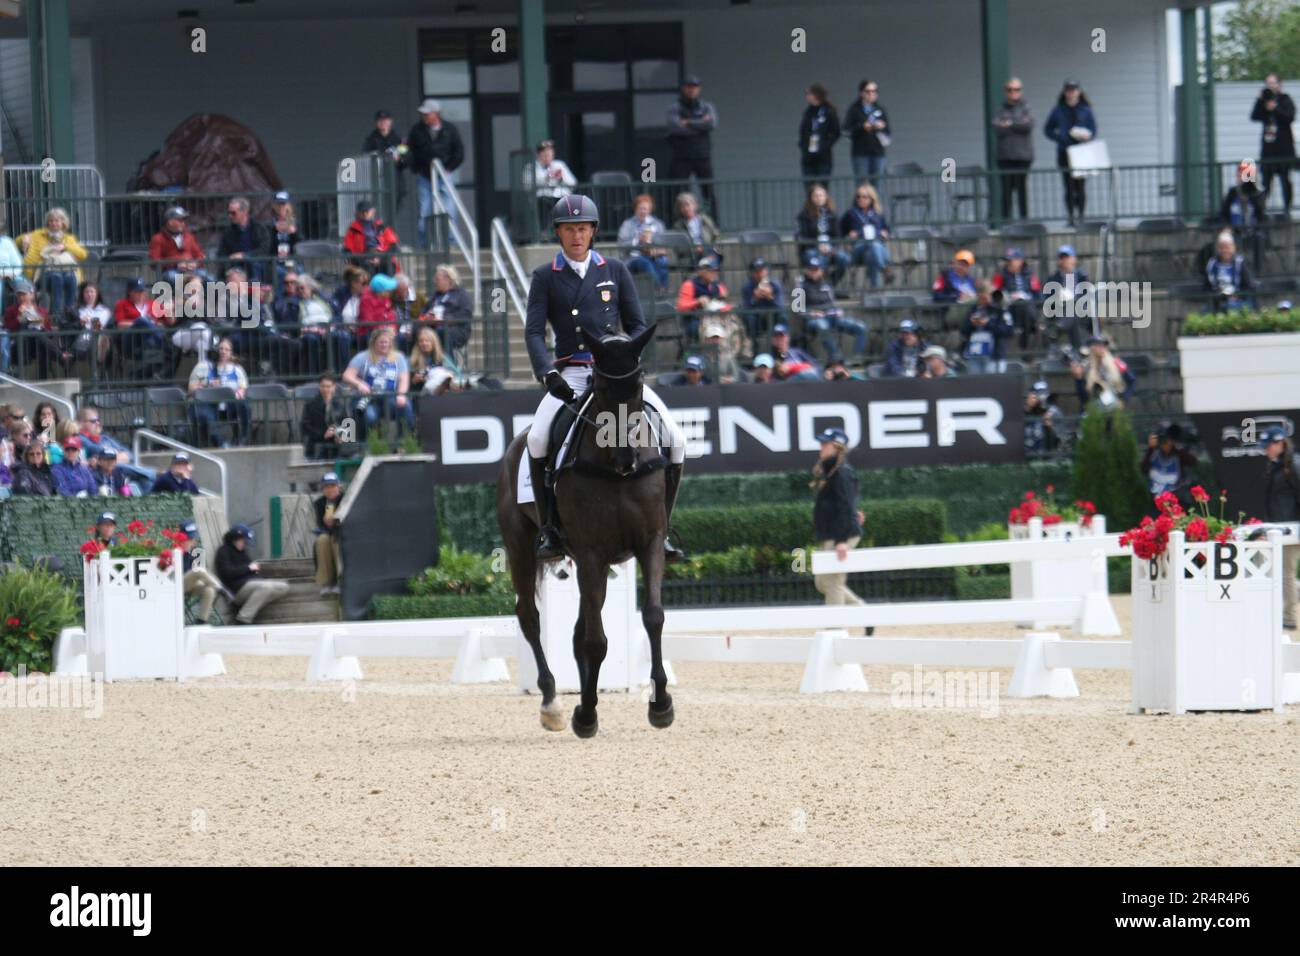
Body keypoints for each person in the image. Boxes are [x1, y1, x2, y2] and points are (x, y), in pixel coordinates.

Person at [523, 195, 687, 561]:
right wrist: (548, 372)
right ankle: (550, 528)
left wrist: (624, 359)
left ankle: (664, 529)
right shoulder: (545, 276)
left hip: (615, 374)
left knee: (675, 439)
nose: (576, 236)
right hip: (573, 373)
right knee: (536, 439)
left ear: (593, 231)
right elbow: (534, 332)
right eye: (569, 230)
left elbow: (638, 324)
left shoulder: (614, 268)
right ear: (559, 234)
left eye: (582, 228)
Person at [811, 427, 866, 607]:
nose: (821, 447)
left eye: (825, 444)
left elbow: (845, 504)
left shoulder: (842, 472)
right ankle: (862, 612)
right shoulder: (832, 471)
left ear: (837, 447)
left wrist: (841, 540)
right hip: (831, 533)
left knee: (833, 582)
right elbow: (843, 502)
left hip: (841, 535)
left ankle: (835, 630)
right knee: (822, 582)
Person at [405, 98, 465, 244]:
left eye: (427, 114)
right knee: (424, 210)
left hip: (444, 176)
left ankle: (451, 243)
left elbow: (459, 152)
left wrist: (449, 168)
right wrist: (416, 169)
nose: (424, 117)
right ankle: (425, 244)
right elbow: (409, 151)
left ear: (436, 114)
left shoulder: (450, 129)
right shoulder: (416, 130)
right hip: (424, 177)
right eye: (423, 114)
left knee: (449, 210)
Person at [1260, 426, 1300, 628]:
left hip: (1291, 528)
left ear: (1279, 444)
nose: (1266, 450)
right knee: (1280, 571)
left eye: (1268, 446)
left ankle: (1290, 617)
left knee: (1287, 572)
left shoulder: (1293, 464)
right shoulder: (1276, 464)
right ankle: (1283, 613)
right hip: (1278, 528)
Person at [1044, 79, 1097, 225]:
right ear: (1065, 92)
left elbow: (1093, 130)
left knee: (1080, 187)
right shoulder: (1058, 110)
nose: (1071, 93)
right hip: (1065, 152)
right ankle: (1071, 217)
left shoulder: (1086, 110)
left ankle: (1081, 216)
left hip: (1081, 152)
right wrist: (1060, 137)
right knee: (1068, 187)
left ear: (1079, 92)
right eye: (1068, 90)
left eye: (1074, 90)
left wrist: (1085, 135)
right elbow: (1047, 130)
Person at [342, 326, 414, 434]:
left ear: (391, 343)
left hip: (390, 396)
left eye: (386, 342)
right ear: (373, 342)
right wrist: (359, 384)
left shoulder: (399, 357)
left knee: (406, 407)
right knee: (369, 416)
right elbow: (347, 375)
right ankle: (368, 445)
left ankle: (403, 443)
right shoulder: (362, 357)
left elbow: (404, 379)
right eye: (381, 342)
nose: (384, 345)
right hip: (367, 397)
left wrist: (401, 395)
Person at [796, 251, 867, 358]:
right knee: (822, 326)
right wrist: (812, 313)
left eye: (816, 269)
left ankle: (856, 359)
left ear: (821, 271)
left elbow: (833, 303)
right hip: (814, 320)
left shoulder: (826, 285)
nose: (814, 272)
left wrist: (838, 311)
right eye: (811, 269)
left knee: (861, 327)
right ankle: (836, 358)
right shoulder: (800, 285)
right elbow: (797, 309)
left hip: (831, 317)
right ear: (807, 271)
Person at [215, 524, 290, 626]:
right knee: (266, 587)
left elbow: (252, 571)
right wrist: (248, 568)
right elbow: (228, 573)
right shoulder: (223, 551)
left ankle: (250, 606)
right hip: (236, 589)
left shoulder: (243, 552)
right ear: (235, 538)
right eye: (243, 541)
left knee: (284, 586)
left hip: (251, 585)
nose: (245, 544)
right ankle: (242, 619)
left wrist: (255, 571)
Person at [20, 207, 88, 317]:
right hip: (43, 275)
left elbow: (83, 254)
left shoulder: (69, 238)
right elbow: (18, 240)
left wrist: (65, 247)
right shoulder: (39, 234)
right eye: (51, 221)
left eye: (56, 221)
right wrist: (26, 238)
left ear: (63, 223)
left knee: (70, 276)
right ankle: (56, 316)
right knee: (57, 276)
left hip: (66, 272)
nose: (53, 223)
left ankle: (69, 313)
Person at [667, 75, 718, 218]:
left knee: (708, 191)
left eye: (694, 87)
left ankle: (714, 224)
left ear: (699, 89)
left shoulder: (706, 106)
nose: (692, 90)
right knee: (679, 192)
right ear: (684, 89)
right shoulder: (675, 107)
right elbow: (675, 127)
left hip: (703, 155)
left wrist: (688, 122)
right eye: (689, 87)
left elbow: (712, 124)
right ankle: (678, 223)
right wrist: (700, 123)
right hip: (682, 157)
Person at [188, 338, 251, 447]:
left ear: (231, 353)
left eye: (227, 349)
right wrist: (207, 384)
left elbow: (243, 388)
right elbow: (191, 388)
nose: (223, 351)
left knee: (244, 405)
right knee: (205, 415)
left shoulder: (238, 369)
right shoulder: (203, 366)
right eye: (221, 348)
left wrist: (238, 393)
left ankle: (242, 439)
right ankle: (221, 443)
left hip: (230, 406)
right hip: (209, 404)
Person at [1251, 74, 1297, 211]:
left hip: (1283, 149)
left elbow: (1290, 117)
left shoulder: (1285, 99)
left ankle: (1286, 210)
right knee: (1266, 182)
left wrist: (1275, 108)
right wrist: (1260, 101)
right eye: (1268, 83)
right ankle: (1262, 211)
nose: (1270, 86)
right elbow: (1254, 116)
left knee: (1285, 181)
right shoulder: (1263, 102)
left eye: (1273, 83)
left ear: (1279, 84)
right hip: (1268, 150)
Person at [994, 77, 1034, 220]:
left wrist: (1009, 124)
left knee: (1022, 190)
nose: (1013, 93)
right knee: (1006, 191)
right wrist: (1017, 124)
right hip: (1005, 157)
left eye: (1016, 89)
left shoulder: (1025, 107)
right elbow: (998, 129)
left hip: (1023, 156)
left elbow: (1028, 126)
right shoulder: (1000, 109)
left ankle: (1024, 220)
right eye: (1010, 90)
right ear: (1006, 92)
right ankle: (1006, 221)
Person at [795, 183, 849, 288]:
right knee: (819, 258)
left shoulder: (832, 214)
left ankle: (830, 285)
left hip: (830, 248)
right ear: (810, 198)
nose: (819, 198)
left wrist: (833, 248)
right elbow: (801, 236)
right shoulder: (804, 215)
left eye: (821, 195)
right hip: (811, 249)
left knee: (844, 258)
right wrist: (817, 245)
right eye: (816, 196)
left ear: (826, 197)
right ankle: (818, 287)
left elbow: (838, 235)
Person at [177, 519, 229, 624]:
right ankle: (221, 589)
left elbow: (201, 577)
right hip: (176, 585)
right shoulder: (174, 552)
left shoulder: (198, 552)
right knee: (198, 570)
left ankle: (201, 621)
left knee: (209, 589)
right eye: (188, 538)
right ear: (180, 538)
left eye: (192, 538)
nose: (191, 541)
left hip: (192, 586)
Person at [990, 248, 1043, 351]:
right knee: (1026, 311)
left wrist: (1025, 296)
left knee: (1025, 307)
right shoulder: (1000, 275)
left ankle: (1031, 331)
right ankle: (1035, 327)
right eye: (1007, 261)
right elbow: (994, 295)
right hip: (1009, 309)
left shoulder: (1030, 275)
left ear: (1020, 261)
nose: (1008, 263)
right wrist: (1008, 296)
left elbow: (1038, 296)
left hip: (1028, 308)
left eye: (1011, 260)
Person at [840, 183, 891, 289]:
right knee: (873, 245)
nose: (860, 199)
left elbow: (887, 230)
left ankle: (874, 288)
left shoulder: (878, 213)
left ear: (871, 198)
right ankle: (885, 269)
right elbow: (839, 230)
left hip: (877, 248)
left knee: (872, 254)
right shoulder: (851, 213)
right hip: (858, 248)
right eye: (858, 196)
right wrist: (849, 235)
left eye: (864, 197)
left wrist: (885, 233)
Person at [617, 195, 671, 291]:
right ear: (635, 209)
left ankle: (665, 289)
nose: (643, 211)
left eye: (645, 209)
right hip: (633, 257)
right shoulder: (628, 224)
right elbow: (622, 245)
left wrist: (655, 250)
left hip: (653, 255)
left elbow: (664, 244)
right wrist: (637, 240)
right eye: (640, 208)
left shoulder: (657, 224)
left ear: (650, 210)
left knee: (662, 261)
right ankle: (658, 289)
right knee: (644, 262)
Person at [959, 281, 1015, 374]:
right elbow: (964, 330)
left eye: (985, 297)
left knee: (994, 385)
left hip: (994, 356)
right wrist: (972, 324)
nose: (983, 301)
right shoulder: (974, 309)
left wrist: (988, 324)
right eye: (980, 298)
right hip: (975, 355)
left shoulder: (1000, 310)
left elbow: (1008, 331)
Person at [1044, 244, 1092, 349]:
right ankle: (1079, 350)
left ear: (1074, 259)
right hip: (1060, 311)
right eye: (1062, 258)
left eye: (1067, 257)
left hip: (1080, 310)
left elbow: (1087, 296)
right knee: (1072, 316)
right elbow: (1047, 299)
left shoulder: (1082, 276)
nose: (1065, 261)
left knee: (1073, 312)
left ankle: (1059, 328)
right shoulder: (1053, 278)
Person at [675, 254, 731, 343]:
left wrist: (724, 306)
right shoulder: (689, 285)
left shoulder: (718, 286)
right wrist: (697, 302)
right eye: (709, 270)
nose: (713, 273)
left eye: (715, 270)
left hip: (717, 318)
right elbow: (681, 307)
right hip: (697, 320)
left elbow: (727, 305)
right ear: (700, 271)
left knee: (732, 325)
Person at [843, 79, 890, 184]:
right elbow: (846, 130)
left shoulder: (880, 109)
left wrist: (881, 126)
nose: (871, 94)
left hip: (877, 152)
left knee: (877, 183)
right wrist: (862, 127)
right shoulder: (854, 109)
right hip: (860, 153)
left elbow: (888, 132)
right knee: (862, 185)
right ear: (861, 93)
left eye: (874, 91)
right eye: (868, 91)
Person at [217, 197, 273, 283]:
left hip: (255, 266)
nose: (230, 216)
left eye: (233, 213)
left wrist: (244, 255)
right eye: (229, 213)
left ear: (245, 211)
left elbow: (264, 250)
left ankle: (256, 293)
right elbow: (221, 252)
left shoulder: (260, 229)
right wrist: (230, 259)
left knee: (255, 266)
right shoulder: (228, 231)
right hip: (235, 266)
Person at [1071, 334, 1135, 408]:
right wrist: (1078, 378)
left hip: (1114, 405)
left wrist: (1124, 400)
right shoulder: (1085, 367)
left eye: (1104, 345)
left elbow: (1131, 380)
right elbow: (1083, 398)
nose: (1102, 347)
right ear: (1091, 348)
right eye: (1098, 345)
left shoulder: (1116, 362)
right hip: (1094, 407)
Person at [423, 264, 473, 361]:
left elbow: (465, 315)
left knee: (441, 332)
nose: (435, 282)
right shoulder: (435, 296)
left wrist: (444, 320)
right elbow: (424, 311)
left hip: (456, 331)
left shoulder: (461, 295)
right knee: (416, 333)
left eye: (438, 279)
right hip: (433, 328)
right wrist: (427, 316)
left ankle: (449, 367)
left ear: (448, 280)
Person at [525, 139, 577, 228]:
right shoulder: (531, 167)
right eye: (544, 154)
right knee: (544, 206)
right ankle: (545, 234)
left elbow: (573, 182)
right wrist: (546, 177)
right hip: (542, 199)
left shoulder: (560, 164)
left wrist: (561, 178)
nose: (547, 156)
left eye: (549, 153)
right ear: (538, 155)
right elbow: (527, 185)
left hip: (560, 197)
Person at [148, 206, 207, 282]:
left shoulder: (189, 237)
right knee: (172, 277)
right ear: (170, 222)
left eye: (184, 220)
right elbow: (154, 262)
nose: (183, 223)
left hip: (192, 270)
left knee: (210, 278)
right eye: (180, 220)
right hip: (172, 271)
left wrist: (195, 263)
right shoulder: (158, 239)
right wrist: (176, 263)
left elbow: (200, 255)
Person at [301, 373, 352, 460]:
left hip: (337, 447)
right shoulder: (310, 405)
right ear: (319, 387)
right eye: (323, 386)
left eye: (328, 386)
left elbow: (347, 425)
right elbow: (305, 426)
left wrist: (341, 435)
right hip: (317, 447)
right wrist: (323, 434)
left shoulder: (339, 405)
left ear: (334, 387)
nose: (325, 389)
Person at [1203, 230, 1256, 312]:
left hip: (1238, 300)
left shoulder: (1240, 263)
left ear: (1233, 247)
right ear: (1218, 248)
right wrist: (1216, 293)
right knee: (1206, 311)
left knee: (1231, 307)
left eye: (1227, 247)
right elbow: (1206, 287)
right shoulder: (1212, 264)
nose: (1224, 250)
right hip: (1217, 300)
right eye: (1221, 247)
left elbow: (1249, 286)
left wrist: (1237, 295)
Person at [798, 82, 840, 184]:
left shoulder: (828, 111)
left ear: (815, 95)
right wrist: (803, 145)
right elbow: (803, 130)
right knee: (809, 185)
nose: (806, 96)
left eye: (808, 94)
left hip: (823, 156)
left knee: (822, 185)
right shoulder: (808, 112)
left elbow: (836, 132)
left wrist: (825, 145)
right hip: (808, 155)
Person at [343, 200, 399, 276]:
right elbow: (348, 249)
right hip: (363, 259)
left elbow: (393, 245)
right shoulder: (352, 229)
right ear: (358, 213)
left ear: (373, 211)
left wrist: (380, 259)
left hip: (382, 256)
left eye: (367, 211)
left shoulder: (381, 226)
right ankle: (369, 287)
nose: (365, 214)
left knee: (389, 267)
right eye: (362, 211)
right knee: (367, 268)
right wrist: (364, 259)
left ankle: (389, 287)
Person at [66, 280, 113, 367]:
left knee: (101, 336)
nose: (89, 294)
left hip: (100, 337)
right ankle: (100, 355)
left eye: (92, 292)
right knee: (93, 336)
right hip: (82, 341)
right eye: (87, 292)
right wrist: (80, 322)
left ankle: (100, 350)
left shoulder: (105, 311)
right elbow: (68, 327)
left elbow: (112, 328)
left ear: (97, 294)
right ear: (82, 294)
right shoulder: (76, 310)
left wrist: (102, 328)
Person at [739, 257, 786, 345]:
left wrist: (770, 297)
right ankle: (754, 347)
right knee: (750, 318)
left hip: (772, 316)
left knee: (783, 316)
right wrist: (754, 299)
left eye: (762, 270)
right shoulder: (747, 286)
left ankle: (780, 346)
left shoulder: (775, 284)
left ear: (766, 271)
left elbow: (780, 306)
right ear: (752, 273)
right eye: (756, 271)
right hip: (757, 318)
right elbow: (745, 308)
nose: (760, 274)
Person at [1141, 425, 1197, 498]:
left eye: (1169, 441)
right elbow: (1144, 468)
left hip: (1177, 496)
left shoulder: (1179, 454)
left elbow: (1193, 461)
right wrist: (1151, 448)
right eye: (1164, 441)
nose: (1166, 444)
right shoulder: (1154, 453)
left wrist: (1176, 449)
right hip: (1155, 497)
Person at [313, 472, 344, 595]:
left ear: (338, 487)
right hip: (329, 532)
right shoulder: (321, 503)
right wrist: (328, 524)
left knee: (336, 540)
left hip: (344, 533)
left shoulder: (346, 498)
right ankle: (326, 583)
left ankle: (341, 581)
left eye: (332, 486)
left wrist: (336, 523)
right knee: (322, 540)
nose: (329, 489)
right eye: (326, 487)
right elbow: (321, 525)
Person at [671, 191, 720, 257]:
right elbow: (678, 247)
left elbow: (716, 236)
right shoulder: (678, 225)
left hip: (709, 252)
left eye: (687, 204)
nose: (686, 208)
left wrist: (714, 248)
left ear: (695, 205)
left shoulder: (705, 219)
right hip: (690, 257)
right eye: (682, 206)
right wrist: (693, 249)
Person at [1024, 380, 1062, 454]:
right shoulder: (1024, 410)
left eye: (1044, 395)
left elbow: (1059, 438)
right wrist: (1028, 408)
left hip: (1045, 454)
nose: (1041, 399)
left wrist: (1049, 426)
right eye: (1037, 395)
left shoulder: (1053, 411)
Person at [408, 325, 448, 393]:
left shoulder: (442, 358)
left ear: (433, 343)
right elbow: (405, 387)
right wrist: (413, 381)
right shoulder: (412, 360)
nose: (424, 343)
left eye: (427, 341)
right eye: (421, 341)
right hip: (419, 395)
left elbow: (453, 376)